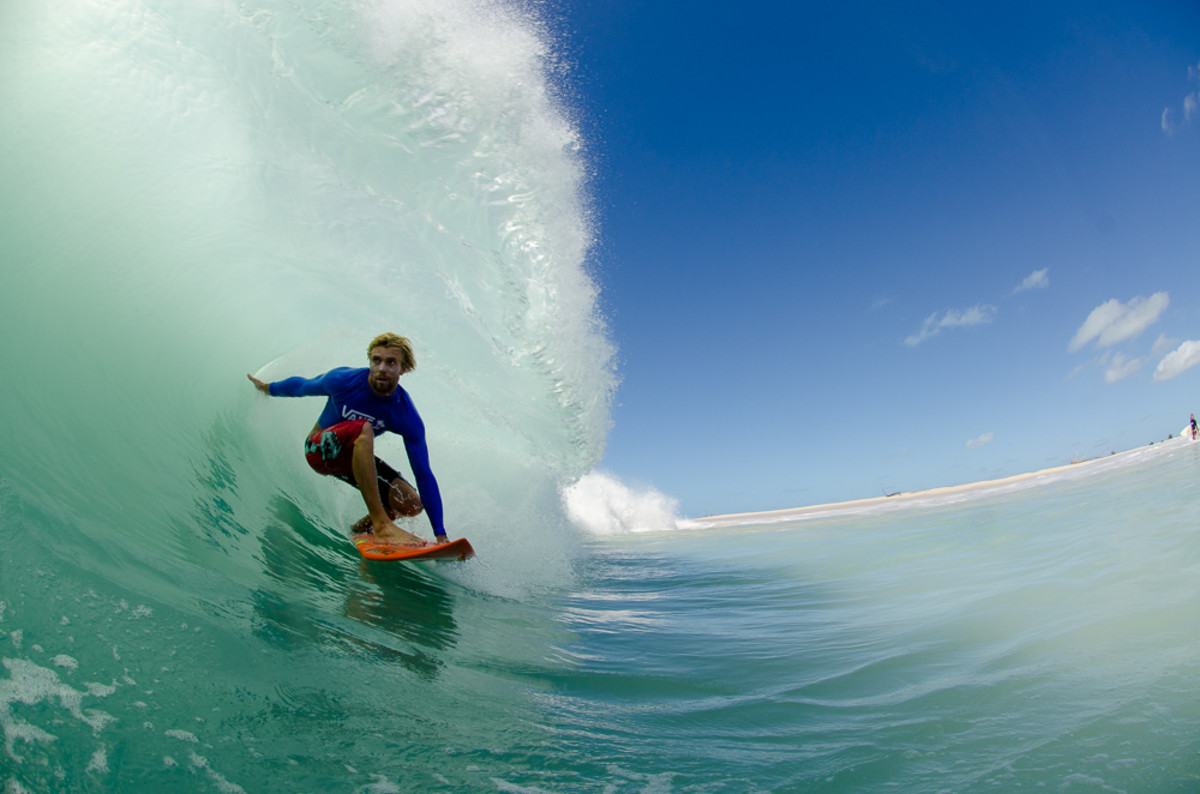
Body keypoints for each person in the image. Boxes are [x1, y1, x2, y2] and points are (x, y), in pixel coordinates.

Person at [247, 333, 447, 547]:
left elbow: (424, 474)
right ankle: (382, 526)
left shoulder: (405, 414)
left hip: (354, 462)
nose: (382, 368)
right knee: (364, 427)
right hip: (318, 450)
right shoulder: (343, 381)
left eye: (391, 362)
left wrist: (440, 535)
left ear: (403, 369)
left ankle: (360, 530)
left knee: (411, 504)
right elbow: (301, 386)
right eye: (376, 360)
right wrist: (267, 388)